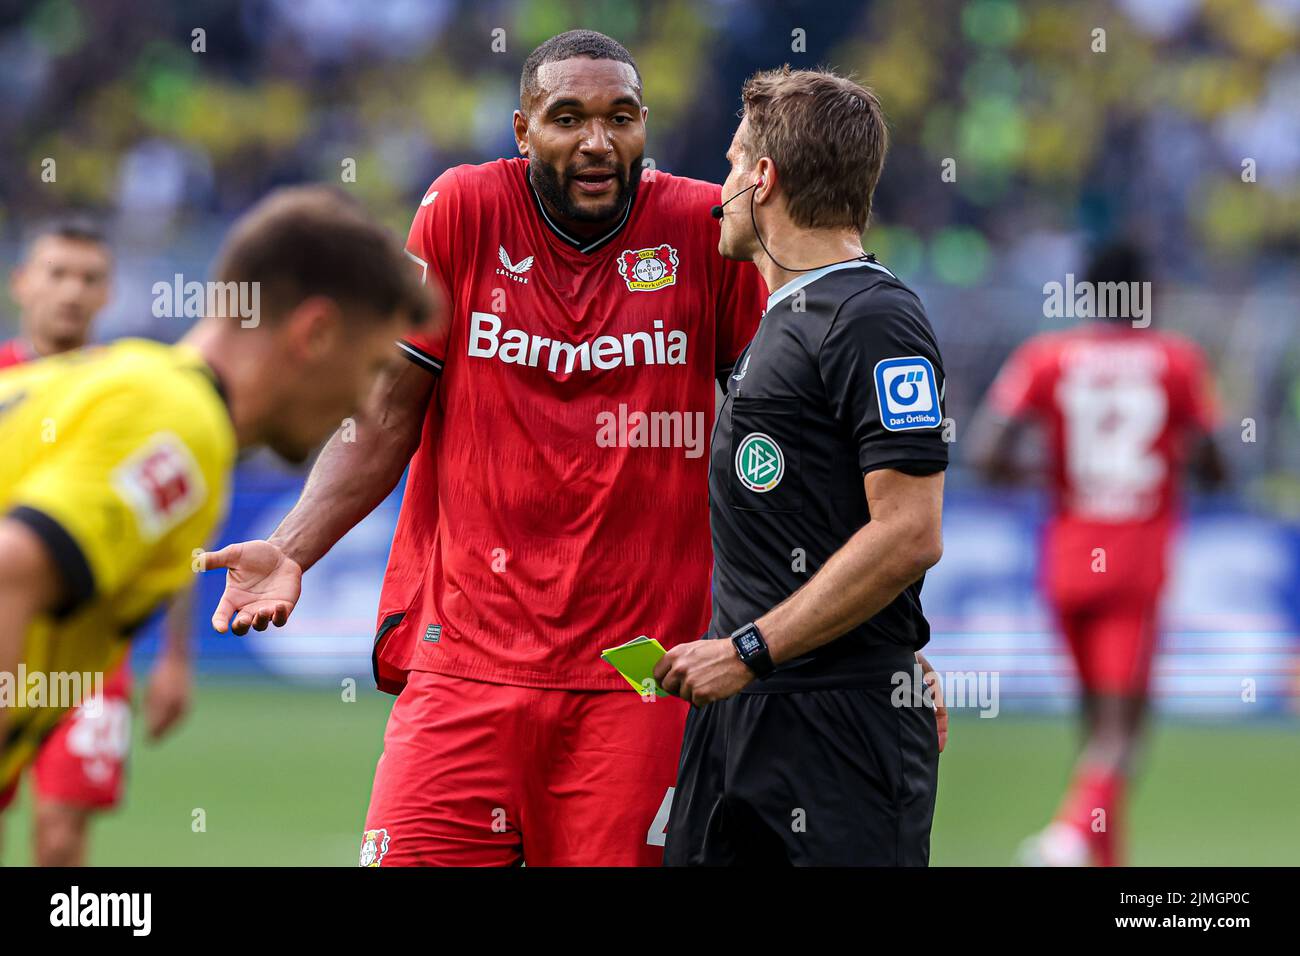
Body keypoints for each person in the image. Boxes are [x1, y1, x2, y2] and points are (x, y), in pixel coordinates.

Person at [204, 29, 770, 867]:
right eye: (567, 117)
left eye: (621, 118)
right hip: (466, 662)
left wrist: (854, 635)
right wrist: (291, 548)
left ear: (645, 125)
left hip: (640, 674)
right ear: (521, 130)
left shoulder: (700, 227)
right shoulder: (464, 210)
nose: (596, 142)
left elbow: (767, 439)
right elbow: (388, 414)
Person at [0, 188, 431, 844]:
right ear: (314, 333)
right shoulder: (182, 422)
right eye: (370, 368)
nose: (364, 408)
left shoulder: (136, 383)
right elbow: (11, 569)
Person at [656, 67, 948, 866]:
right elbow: (820, 522)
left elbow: (910, 533)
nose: (717, 191)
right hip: (746, 717)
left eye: (728, 166)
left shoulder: (873, 317)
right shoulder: (785, 320)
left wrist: (751, 649)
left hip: (835, 733)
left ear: (763, 178)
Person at [969, 241, 1226, 866]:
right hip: (1134, 561)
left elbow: (983, 453)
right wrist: (1171, 463)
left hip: (1065, 559)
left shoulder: (1047, 357)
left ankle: (1103, 857)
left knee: (1094, 728)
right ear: (1146, 291)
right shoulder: (1176, 362)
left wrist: (1052, 475)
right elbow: (1218, 464)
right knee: (1123, 729)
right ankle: (1066, 837)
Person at [0, 219, 193, 866]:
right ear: (21, 283)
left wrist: (174, 658)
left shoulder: (129, 393)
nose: (72, 292)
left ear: (109, 293)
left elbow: (168, 529)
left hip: (90, 658)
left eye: (90, 278)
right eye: (57, 274)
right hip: (6, 636)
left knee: (60, 838)